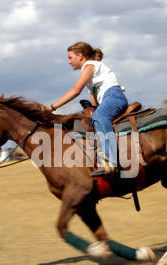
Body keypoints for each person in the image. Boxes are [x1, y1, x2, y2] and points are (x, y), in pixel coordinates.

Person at [50, 41, 128, 176]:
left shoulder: (90, 66)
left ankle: (111, 160)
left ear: (79, 55)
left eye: (70, 57)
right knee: (93, 118)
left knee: (100, 117)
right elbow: (94, 102)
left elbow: (75, 91)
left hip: (113, 97)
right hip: (107, 98)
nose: (69, 62)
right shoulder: (91, 76)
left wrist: (52, 107)